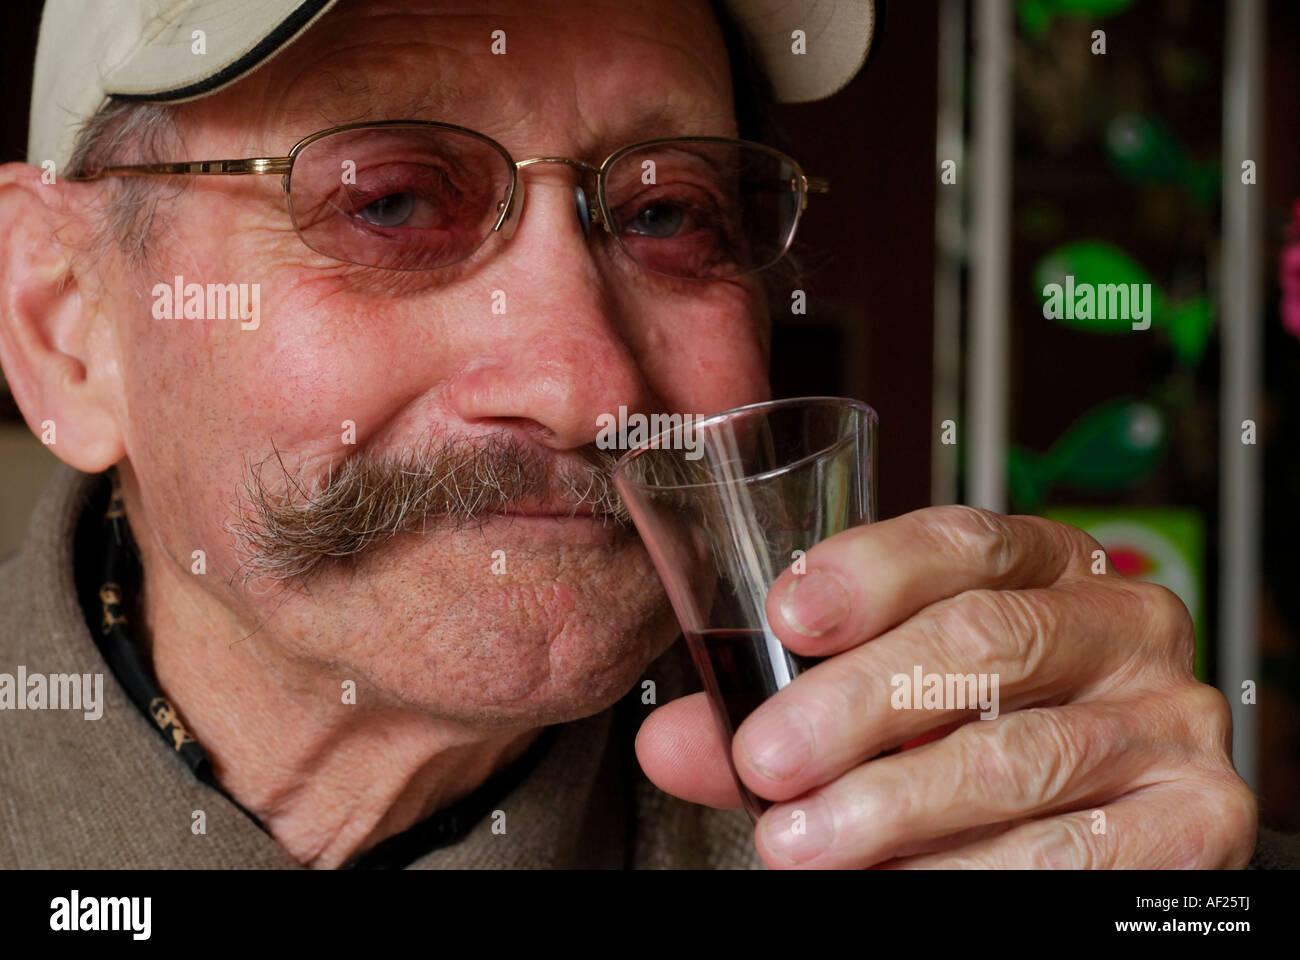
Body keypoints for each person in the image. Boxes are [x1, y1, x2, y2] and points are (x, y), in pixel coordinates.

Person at [0, 0, 1278, 869]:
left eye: (669, 215)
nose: (587, 385)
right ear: (66, 324)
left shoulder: (899, 820)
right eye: (388, 202)